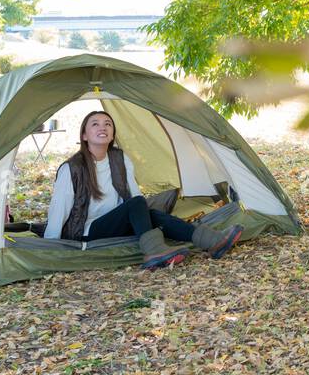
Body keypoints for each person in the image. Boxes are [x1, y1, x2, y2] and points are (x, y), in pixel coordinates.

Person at [43, 110, 244, 270]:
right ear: (85, 135)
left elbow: (132, 194)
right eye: (95, 124)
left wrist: (143, 218)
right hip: (87, 230)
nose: (102, 127)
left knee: (152, 214)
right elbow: (60, 207)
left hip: (116, 222)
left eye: (108, 124)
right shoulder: (72, 168)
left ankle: (213, 241)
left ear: (112, 133)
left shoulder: (119, 158)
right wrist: (49, 247)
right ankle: (154, 251)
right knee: (139, 205)